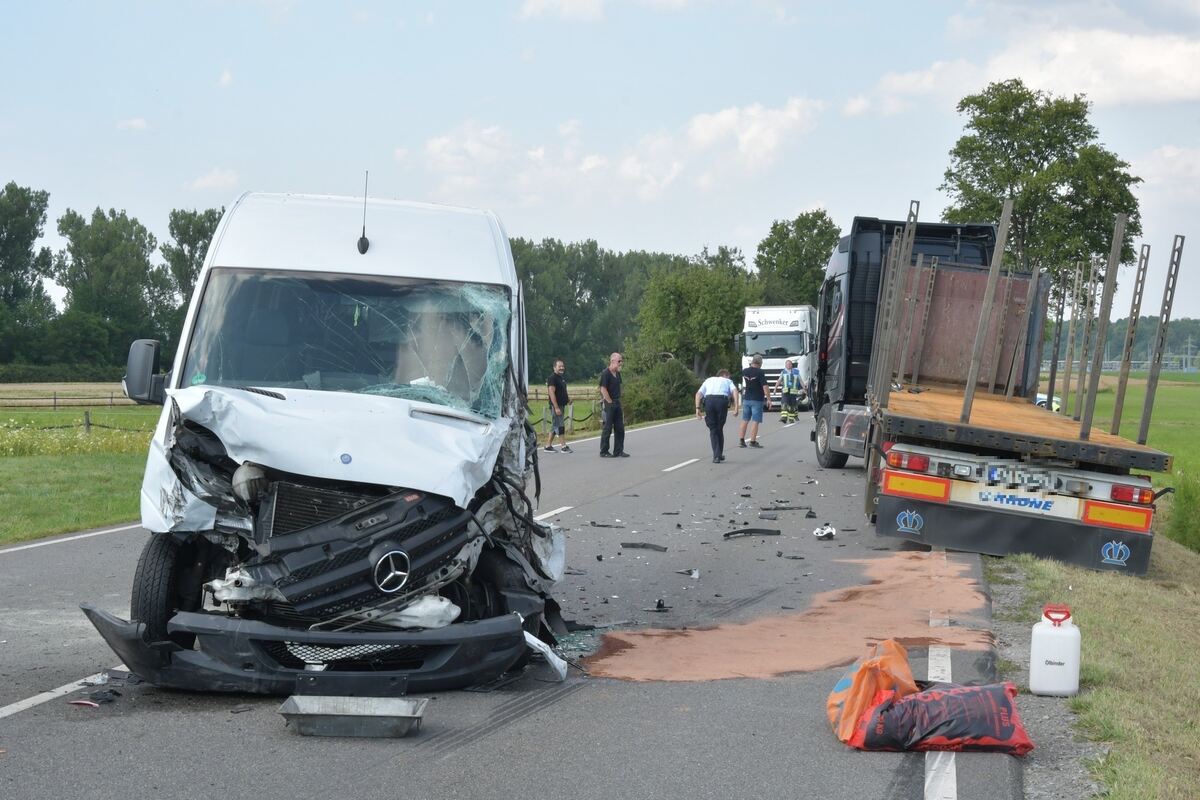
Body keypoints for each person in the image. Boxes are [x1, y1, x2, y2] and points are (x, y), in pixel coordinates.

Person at [695, 368, 739, 463]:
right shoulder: (727, 380)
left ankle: (717, 455)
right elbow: (735, 391)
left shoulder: (708, 380)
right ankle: (718, 455)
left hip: (709, 401)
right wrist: (736, 407)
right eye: (729, 376)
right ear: (724, 375)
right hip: (721, 401)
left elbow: (698, 394)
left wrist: (697, 409)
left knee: (713, 429)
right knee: (719, 428)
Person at [598, 352, 628, 458]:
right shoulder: (606, 373)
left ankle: (618, 450)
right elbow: (603, 388)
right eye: (619, 361)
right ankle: (604, 451)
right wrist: (609, 401)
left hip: (617, 402)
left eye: (621, 361)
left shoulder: (617, 373)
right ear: (612, 361)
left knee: (620, 427)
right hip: (609, 403)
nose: (621, 363)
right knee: (608, 427)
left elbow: (618, 386)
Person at [738, 354, 770, 448]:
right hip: (757, 399)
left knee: (745, 420)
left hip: (747, 398)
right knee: (755, 421)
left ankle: (741, 440)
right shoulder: (760, 372)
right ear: (760, 363)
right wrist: (768, 399)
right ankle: (752, 441)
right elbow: (765, 386)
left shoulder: (745, 371)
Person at [544, 359, 572, 453]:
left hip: (562, 405)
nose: (562, 368)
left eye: (563, 366)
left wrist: (568, 400)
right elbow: (551, 392)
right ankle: (563, 447)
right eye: (559, 366)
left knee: (554, 425)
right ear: (554, 367)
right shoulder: (552, 378)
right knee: (560, 425)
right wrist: (556, 407)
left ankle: (548, 446)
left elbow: (562, 391)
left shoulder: (561, 378)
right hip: (556, 406)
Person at [774, 358, 802, 425]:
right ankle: (784, 417)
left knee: (792, 405)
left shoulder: (796, 372)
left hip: (793, 392)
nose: (789, 365)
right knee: (784, 403)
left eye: (790, 364)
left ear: (792, 365)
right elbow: (779, 380)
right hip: (785, 391)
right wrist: (775, 388)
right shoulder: (783, 372)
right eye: (788, 364)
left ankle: (791, 418)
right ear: (785, 365)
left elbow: (801, 381)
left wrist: (804, 388)